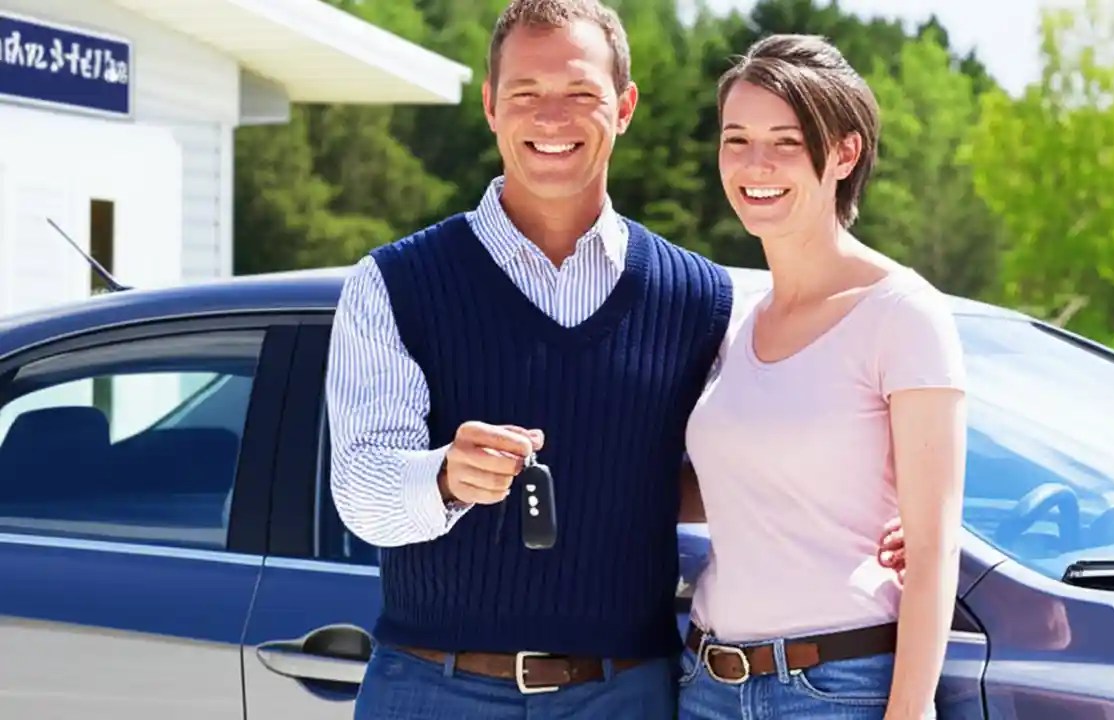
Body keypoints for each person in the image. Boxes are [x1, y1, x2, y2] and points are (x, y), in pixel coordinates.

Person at [325, 0, 910, 715]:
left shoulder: (699, 297)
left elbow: (746, 450)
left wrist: (891, 506)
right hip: (432, 688)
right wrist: (444, 476)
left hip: (627, 693)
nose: (552, 119)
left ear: (625, 106)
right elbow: (358, 489)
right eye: (526, 95)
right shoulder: (394, 283)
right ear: (489, 107)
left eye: (581, 94)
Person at [676, 34, 967, 720]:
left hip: (833, 688)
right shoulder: (739, 322)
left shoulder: (902, 314)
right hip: (706, 683)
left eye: (784, 141)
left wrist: (909, 712)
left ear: (843, 152)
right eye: (736, 139)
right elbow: (737, 490)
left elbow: (932, 549)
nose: (755, 164)